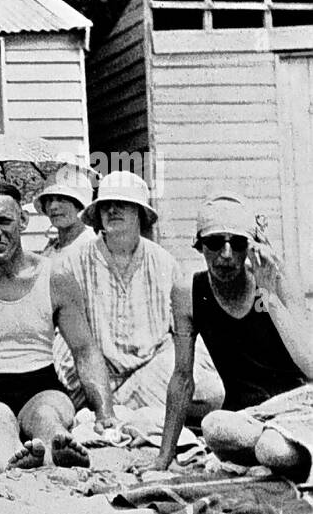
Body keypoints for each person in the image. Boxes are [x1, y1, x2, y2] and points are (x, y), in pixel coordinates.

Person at [0, 180, 118, 474]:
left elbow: (84, 350)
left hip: (40, 383)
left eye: (4, 220)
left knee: (46, 415)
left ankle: (57, 452)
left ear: (23, 221)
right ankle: (14, 466)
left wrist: (105, 413)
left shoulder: (54, 276)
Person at [155, 194, 313, 472]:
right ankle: (276, 455)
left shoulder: (276, 279)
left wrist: (269, 294)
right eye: (215, 243)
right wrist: (162, 459)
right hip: (246, 418)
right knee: (212, 426)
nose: (226, 255)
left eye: (237, 244)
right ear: (199, 246)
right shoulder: (188, 292)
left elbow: (311, 366)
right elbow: (182, 378)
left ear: (251, 248)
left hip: (295, 408)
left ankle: (277, 454)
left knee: (271, 450)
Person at [53, 171, 223, 413]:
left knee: (211, 391)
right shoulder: (72, 262)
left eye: (122, 204)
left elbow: (182, 330)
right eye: (106, 206)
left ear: (140, 214)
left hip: (149, 374)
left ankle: (125, 417)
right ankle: (123, 417)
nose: (112, 211)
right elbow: (64, 339)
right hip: (92, 380)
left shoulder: (163, 262)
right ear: (98, 215)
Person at [36, 168, 95, 258]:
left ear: (79, 206)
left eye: (61, 200)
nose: (52, 207)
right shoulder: (50, 250)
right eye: (49, 200)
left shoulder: (91, 248)